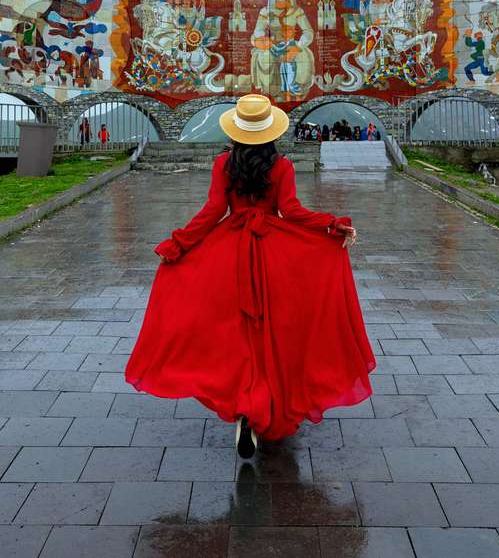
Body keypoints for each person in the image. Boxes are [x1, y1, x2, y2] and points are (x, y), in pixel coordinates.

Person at [126, 93, 374, 456]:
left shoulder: (224, 164)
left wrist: (178, 245)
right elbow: (292, 211)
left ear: (237, 130)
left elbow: (213, 211)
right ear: (270, 130)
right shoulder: (282, 167)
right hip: (275, 253)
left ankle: (246, 405)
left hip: (231, 253)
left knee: (238, 334)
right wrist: (332, 225)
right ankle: (267, 403)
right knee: (274, 333)